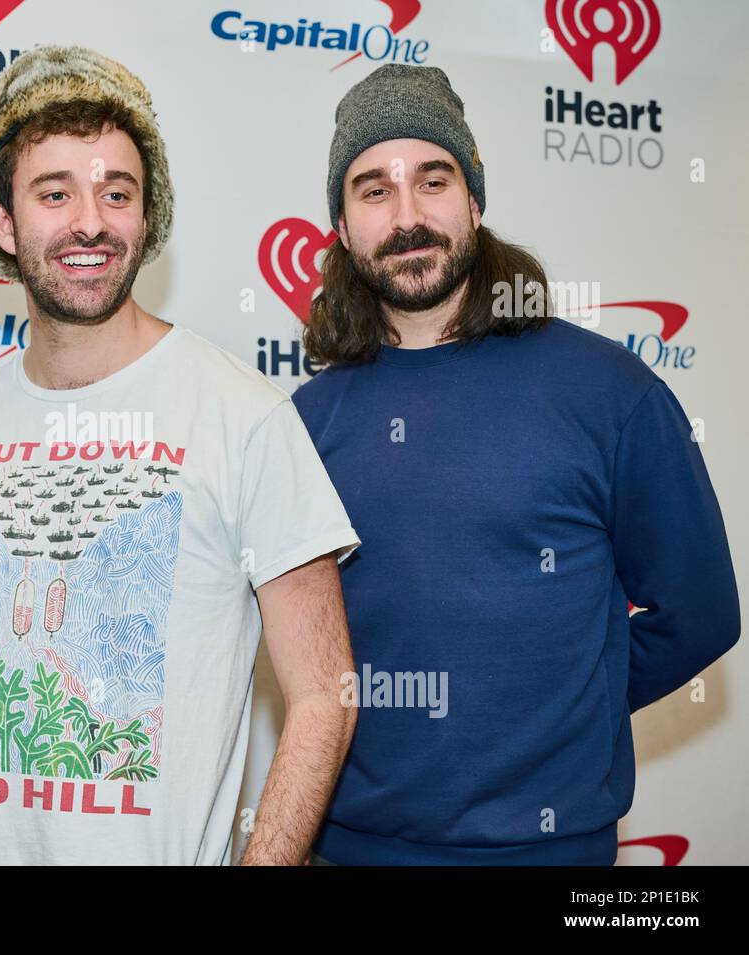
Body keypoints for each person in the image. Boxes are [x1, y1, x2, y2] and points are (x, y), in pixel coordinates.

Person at [0, 45, 360, 866]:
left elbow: (324, 695)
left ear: (146, 219)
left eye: (116, 193)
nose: (90, 221)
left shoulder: (242, 416)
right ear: (4, 222)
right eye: (56, 194)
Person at [293, 63, 740, 865]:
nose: (407, 216)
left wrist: (562, 714)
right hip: (348, 849)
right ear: (340, 224)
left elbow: (699, 612)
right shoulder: (302, 422)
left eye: (434, 180)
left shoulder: (609, 392)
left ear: (475, 200)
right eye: (373, 189)